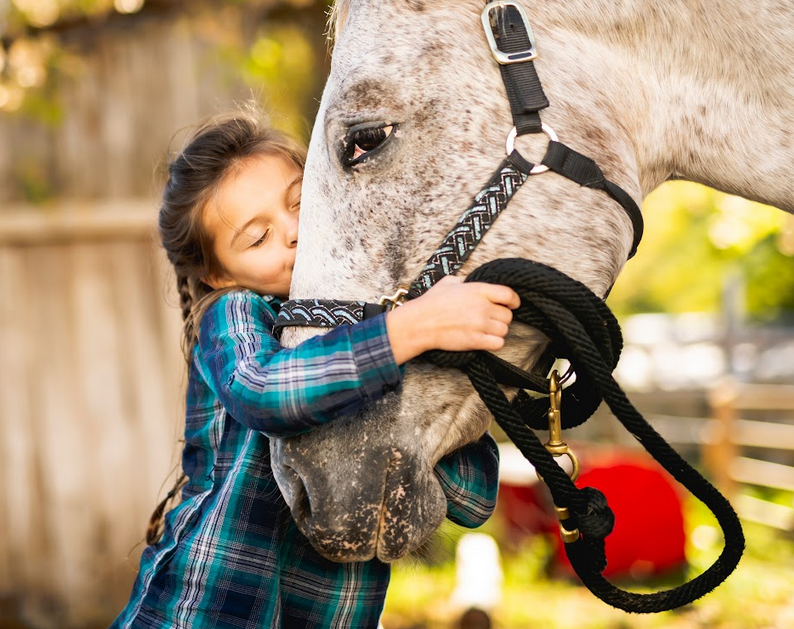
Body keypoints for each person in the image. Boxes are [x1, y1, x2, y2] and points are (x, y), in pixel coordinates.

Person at [110, 110, 519, 629]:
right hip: (200, 610)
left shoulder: (385, 321)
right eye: (257, 239)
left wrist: (448, 363)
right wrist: (416, 328)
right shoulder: (234, 313)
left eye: (301, 203)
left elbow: (471, 498)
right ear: (216, 273)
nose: (294, 233)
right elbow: (262, 390)